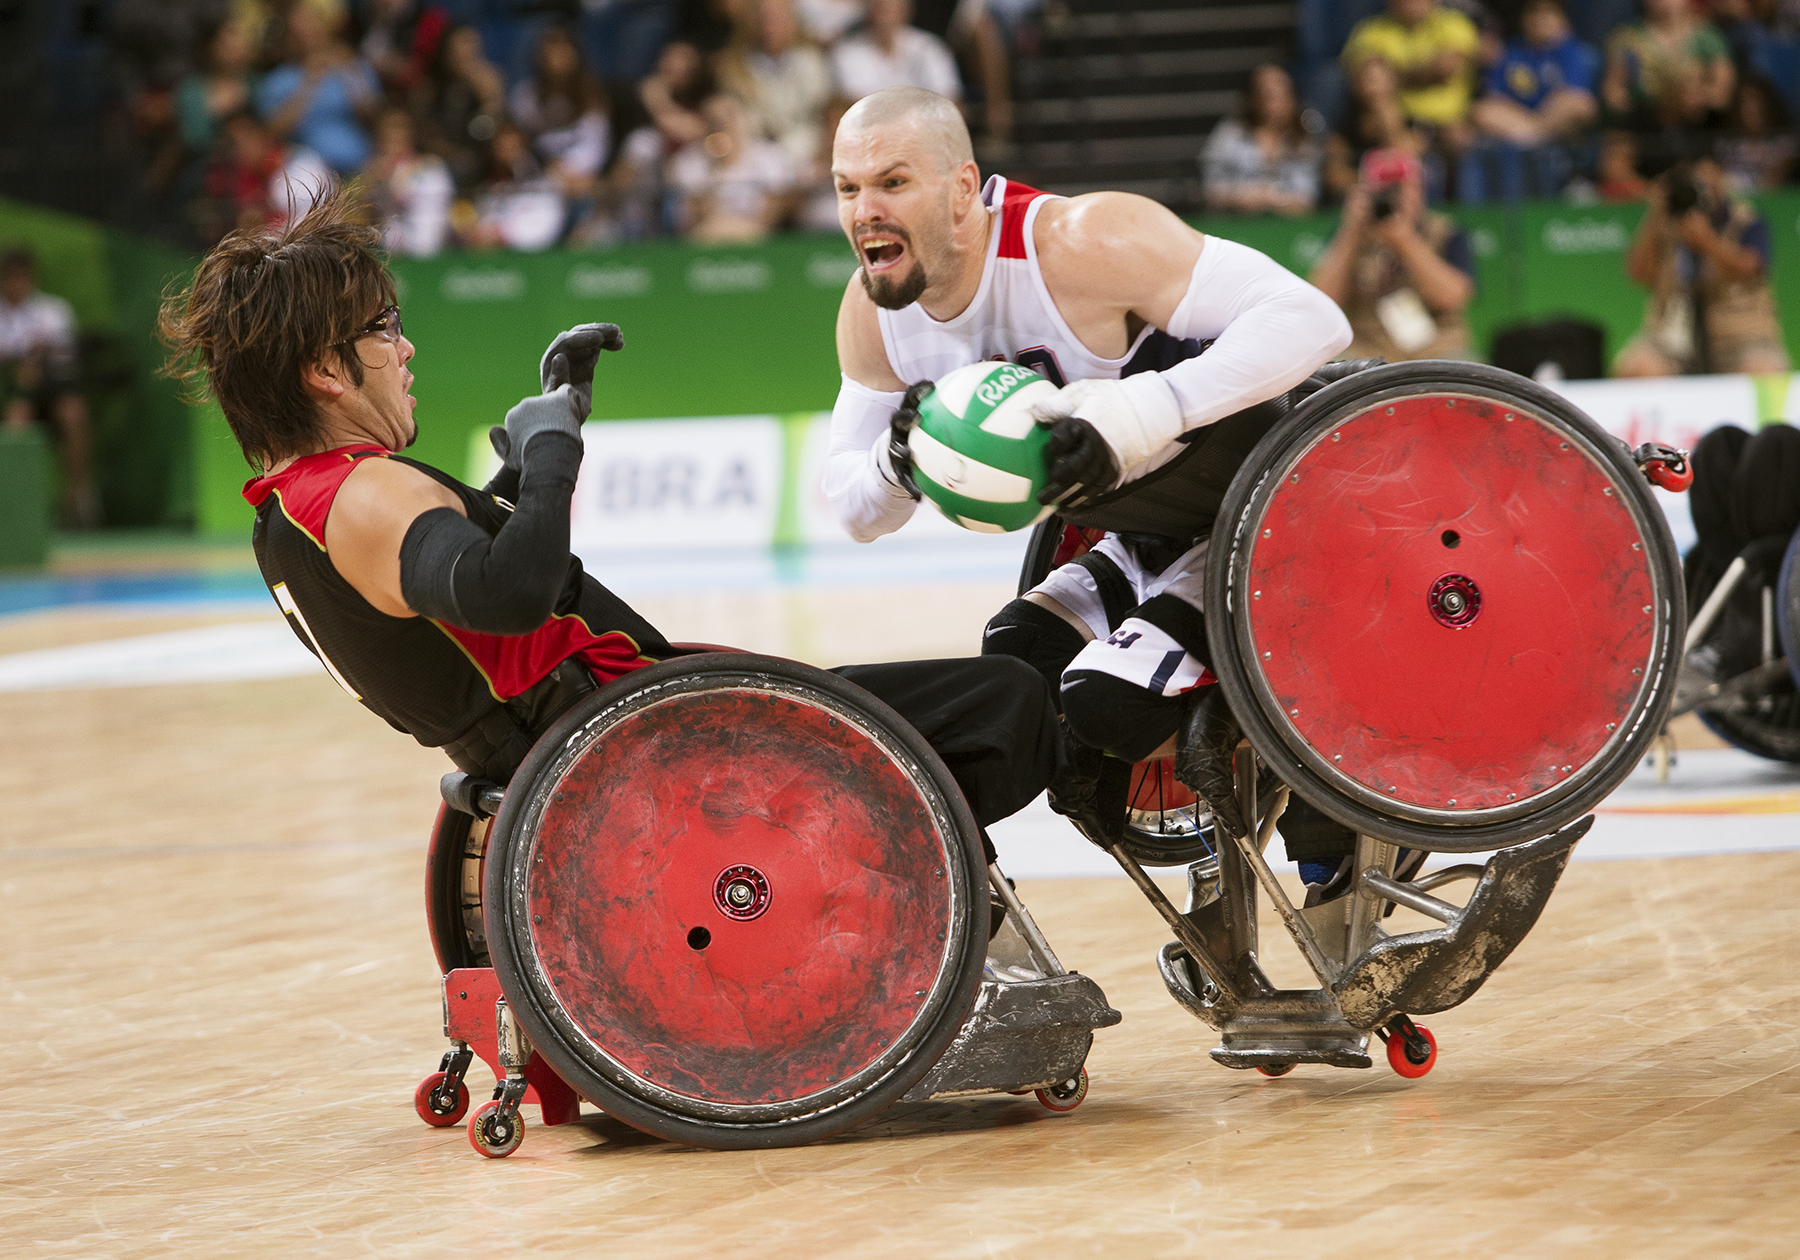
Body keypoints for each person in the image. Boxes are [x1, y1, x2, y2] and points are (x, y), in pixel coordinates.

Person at [155, 188, 1060, 849]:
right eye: (385, 328)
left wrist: (538, 441)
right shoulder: (359, 492)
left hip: (608, 739)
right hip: (651, 754)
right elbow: (511, 594)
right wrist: (552, 456)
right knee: (1009, 699)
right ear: (324, 370)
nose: (407, 347)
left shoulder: (293, 512)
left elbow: (475, 632)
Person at [821, 86, 1366, 891]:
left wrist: (1146, 407)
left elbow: (1313, 318)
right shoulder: (874, 316)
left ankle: (1318, 778)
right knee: (1013, 676)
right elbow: (851, 508)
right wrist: (894, 465)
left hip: (1260, 518)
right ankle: (975, 916)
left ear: (962, 188)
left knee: (1110, 705)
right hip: (1139, 536)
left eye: (891, 182)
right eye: (847, 188)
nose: (865, 209)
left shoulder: (1083, 241)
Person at [1614, 153, 1791, 377]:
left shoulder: (1746, 220)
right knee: (1638, 368)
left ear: (1721, 177)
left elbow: (1749, 269)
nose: (1701, 187)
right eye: (1693, 180)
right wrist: (1655, 214)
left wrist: (1707, 242)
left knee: (1763, 371)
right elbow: (1638, 274)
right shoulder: (1665, 224)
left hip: (1739, 336)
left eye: (1705, 178)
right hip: (1674, 336)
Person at [1310, 148, 1476, 362]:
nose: (1391, 198)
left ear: (1419, 190)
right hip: (1367, 351)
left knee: (1466, 364)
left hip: (1437, 347)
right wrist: (1350, 234)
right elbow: (1322, 299)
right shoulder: (1349, 234)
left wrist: (1405, 241)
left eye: (1400, 189)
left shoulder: (1446, 232)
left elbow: (1452, 298)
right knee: (1330, 371)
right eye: (1383, 190)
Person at [0, 248, 97, 529]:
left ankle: (77, 500)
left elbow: (69, 358)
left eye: (22, 276)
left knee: (74, 413)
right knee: (17, 420)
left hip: (55, 391)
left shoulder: (54, 310)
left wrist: (43, 354)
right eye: (11, 277)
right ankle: (18, 509)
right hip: (16, 395)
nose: (17, 282)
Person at [258, 3, 382, 175]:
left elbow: (374, 118)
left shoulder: (355, 67)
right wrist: (310, 82)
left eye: (313, 24)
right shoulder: (279, 80)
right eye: (299, 29)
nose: (306, 34)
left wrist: (349, 72)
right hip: (307, 171)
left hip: (361, 164)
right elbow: (273, 132)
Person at [716, 0, 834, 169]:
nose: (769, 26)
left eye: (775, 18)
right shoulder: (736, 68)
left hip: (806, 148)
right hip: (755, 151)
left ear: (791, 21)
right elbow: (740, 118)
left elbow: (818, 113)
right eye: (763, 19)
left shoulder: (812, 62)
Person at [1340, 0, 1482, 139]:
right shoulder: (1371, 30)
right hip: (1397, 122)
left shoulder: (1454, 23)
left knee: (1459, 134)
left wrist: (1394, 77)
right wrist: (1423, 74)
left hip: (1449, 123)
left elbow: (1445, 69)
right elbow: (1368, 81)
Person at [667, 94, 799, 242]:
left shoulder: (770, 156)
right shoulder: (689, 162)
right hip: (709, 238)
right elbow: (699, 216)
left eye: (727, 120)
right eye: (713, 122)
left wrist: (746, 230)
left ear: (743, 121)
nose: (720, 127)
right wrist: (716, 164)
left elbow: (773, 211)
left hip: (760, 238)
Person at [1200, 63, 1323, 217]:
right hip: (1235, 225)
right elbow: (1211, 190)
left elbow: (1308, 196)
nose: (1277, 102)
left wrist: (1274, 199)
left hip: (1288, 226)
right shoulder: (1229, 135)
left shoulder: (1304, 136)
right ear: (1253, 97)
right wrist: (1245, 196)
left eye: (1283, 93)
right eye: (1268, 94)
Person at [1471, 0, 1599, 146]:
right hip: (1518, 118)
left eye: (1549, 12)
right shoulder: (1508, 51)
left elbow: (1574, 95)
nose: (1540, 19)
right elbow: (1496, 97)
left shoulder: (1573, 51)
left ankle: (1534, 137)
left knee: (1580, 104)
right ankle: (1537, 138)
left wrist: (1538, 123)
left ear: (1564, 20)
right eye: (1533, 11)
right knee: (1481, 111)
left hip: (1553, 119)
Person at [1600, 0, 1734, 132]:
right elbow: (1612, 93)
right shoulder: (1627, 38)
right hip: (1641, 126)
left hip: (1697, 127)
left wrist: (1696, 97)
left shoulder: (1708, 37)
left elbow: (1722, 92)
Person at [361, 107, 454, 257]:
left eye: (399, 127)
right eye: (389, 128)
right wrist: (375, 179)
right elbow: (360, 210)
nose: (394, 134)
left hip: (427, 250)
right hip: (391, 252)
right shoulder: (373, 169)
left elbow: (437, 213)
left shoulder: (432, 167)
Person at [830, 0, 963, 104]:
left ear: (907, 10)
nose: (885, 15)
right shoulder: (847, 52)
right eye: (880, 7)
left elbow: (949, 101)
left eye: (891, 7)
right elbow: (858, 106)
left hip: (926, 132)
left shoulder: (931, 48)